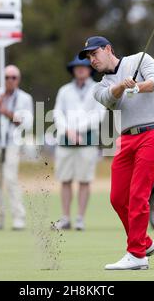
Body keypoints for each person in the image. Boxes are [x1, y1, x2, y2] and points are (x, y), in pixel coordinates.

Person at [79, 36, 154, 270]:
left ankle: (137, 255)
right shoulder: (98, 87)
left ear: (108, 49)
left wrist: (138, 86)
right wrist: (122, 86)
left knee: (138, 194)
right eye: (88, 57)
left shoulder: (140, 59)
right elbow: (110, 98)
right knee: (118, 198)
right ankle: (145, 243)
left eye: (94, 54)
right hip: (128, 138)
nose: (92, 60)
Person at [52, 55, 106, 231]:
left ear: (90, 69)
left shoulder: (97, 88)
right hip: (66, 140)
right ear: (73, 70)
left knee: (84, 180)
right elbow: (58, 113)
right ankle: (66, 218)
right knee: (65, 179)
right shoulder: (64, 90)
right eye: (77, 67)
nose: (80, 69)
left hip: (88, 140)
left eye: (83, 66)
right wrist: (68, 131)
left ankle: (80, 218)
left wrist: (79, 130)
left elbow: (99, 114)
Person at [0, 65, 34, 231]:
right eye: (7, 77)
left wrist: (8, 113)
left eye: (13, 77)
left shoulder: (24, 98)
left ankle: (18, 217)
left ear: (18, 79)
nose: (10, 80)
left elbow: (27, 124)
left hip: (11, 143)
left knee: (11, 179)